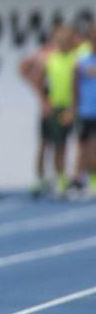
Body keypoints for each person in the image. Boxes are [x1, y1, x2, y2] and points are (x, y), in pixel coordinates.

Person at [21, 26, 88, 198]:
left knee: (64, 144)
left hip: (70, 106)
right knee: (46, 143)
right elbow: (32, 76)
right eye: (61, 40)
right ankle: (42, 178)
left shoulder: (76, 57)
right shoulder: (48, 58)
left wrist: (73, 108)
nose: (65, 43)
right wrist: (44, 102)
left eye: (68, 40)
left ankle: (64, 178)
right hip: (53, 106)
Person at [76, 24, 96, 197]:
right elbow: (74, 85)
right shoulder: (81, 59)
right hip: (87, 110)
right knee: (85, 147)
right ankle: (85, 179)